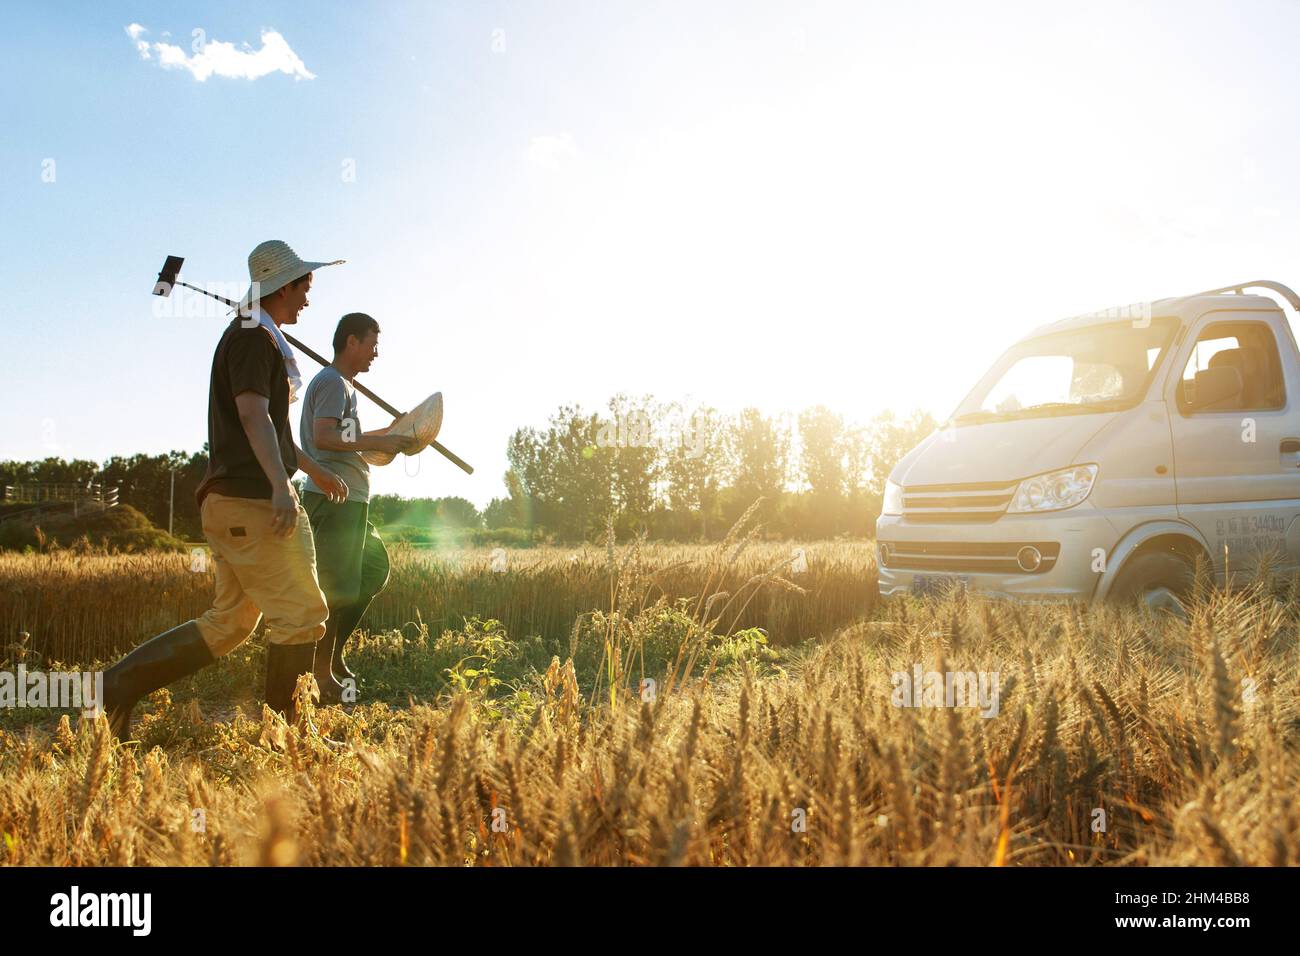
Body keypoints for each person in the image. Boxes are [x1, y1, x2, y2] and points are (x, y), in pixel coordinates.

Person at [103, 240, 348, 739]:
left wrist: (310, 470)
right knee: (301, 613)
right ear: (284, 287)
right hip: (253, 502)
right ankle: (289, 738)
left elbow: (268, 427)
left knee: (230, 622)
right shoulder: (254, 337)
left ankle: (109, 692)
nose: (308, 299)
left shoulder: (258, 336)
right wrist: (282, 487)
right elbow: (251, 413)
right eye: (305, 287)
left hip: (231, 502)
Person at [299, 313, 414, 703]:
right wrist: (380, 442)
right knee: (335, 585)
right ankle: (319, 669)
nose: (376, 354)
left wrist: (391, 433)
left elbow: (349, 436)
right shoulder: (332, 383)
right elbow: (324, 436)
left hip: (351, 501)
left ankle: (332, 655)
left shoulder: (345, 387)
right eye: (372, 344)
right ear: (352, 342)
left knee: (373, 567)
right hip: (333, 498)